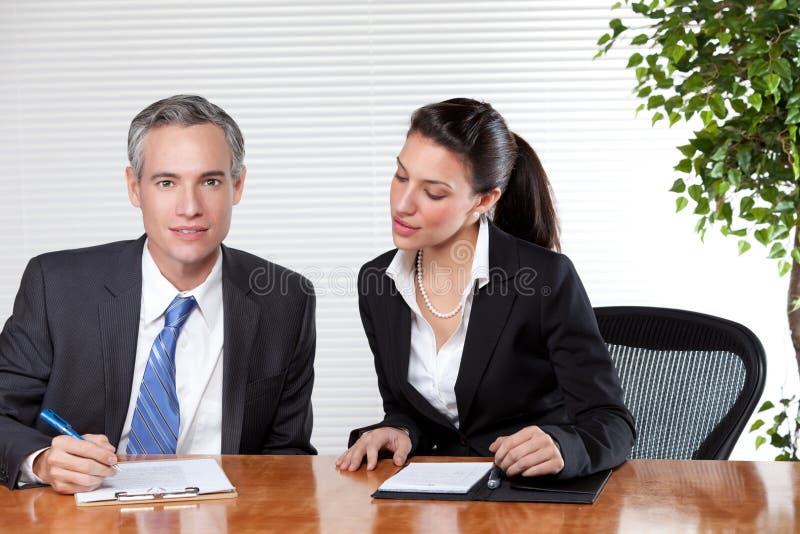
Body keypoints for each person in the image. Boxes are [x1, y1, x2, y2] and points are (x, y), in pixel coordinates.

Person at [0, 95, 317, 494]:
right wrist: (43, 460)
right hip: (87, 516)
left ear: (237, 186)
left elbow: (287, 453)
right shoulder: (56, 285)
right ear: (135, 188)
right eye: (166, 182)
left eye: (211, 181)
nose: (190, 207)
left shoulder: (286, 299)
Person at [336, 98, 634, 480]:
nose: (403, 204)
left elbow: (610, 422)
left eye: (434, 192)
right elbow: (408, 408)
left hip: (530, 501)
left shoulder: (545, 279)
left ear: (483, 199)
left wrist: (563, 446)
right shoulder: (378, 281)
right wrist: (399, 430)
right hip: (433, 499)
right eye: (400, 176)